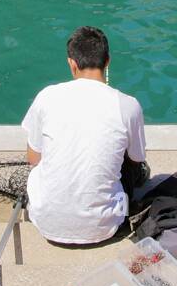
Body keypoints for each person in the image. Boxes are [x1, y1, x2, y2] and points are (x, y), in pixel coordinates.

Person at [21, 27, 147, 245]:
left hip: (46, 222)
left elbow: (33, 158)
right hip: (106, 226)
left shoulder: (47, 97)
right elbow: (137, 160)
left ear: (72, 63)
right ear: (107, 61)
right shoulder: (128, 105)